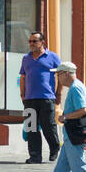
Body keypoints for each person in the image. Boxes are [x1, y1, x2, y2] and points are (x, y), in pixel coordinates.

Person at [19, 31, 60, 164]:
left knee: (48, 125)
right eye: (30, 41)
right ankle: (35, 156)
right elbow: (23, 77)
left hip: (47, 98)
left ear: (42, 42)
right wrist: (22, 94)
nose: (31, 44)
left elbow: (61, 75)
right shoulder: (26, 58)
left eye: (34, 41)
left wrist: (58, 93)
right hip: (30, 99)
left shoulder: (53, 57)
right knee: (31, 128)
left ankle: (54, 148)